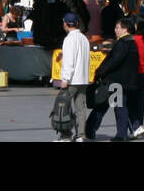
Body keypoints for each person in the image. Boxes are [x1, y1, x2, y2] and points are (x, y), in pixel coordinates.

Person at [86, 19, 139, 141]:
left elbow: (114, 61)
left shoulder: (123, 43)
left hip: (115, 80)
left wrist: (100, 72)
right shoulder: (132, 42)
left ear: (125, 29)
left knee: (109, 106)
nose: (116, 30)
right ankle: (92, 129)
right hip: (125, 80)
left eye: (118, 27)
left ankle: (119, 134)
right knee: (112, 105)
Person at [55, 13, 91, 141]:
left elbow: (69, 61)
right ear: (76, 24)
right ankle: (81, 134)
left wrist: (65, 78)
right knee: (80, 107)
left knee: (63, 106)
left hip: (72, 79)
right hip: (83, 78)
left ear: (65, 24)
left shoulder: (69, 39)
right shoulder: (84, 38)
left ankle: (65, 134)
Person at [129, 20, 144, 137]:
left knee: (129, 102)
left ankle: (136, 126)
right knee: (140, 102)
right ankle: (139, 125)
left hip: (134, 73)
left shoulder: (134, 39)